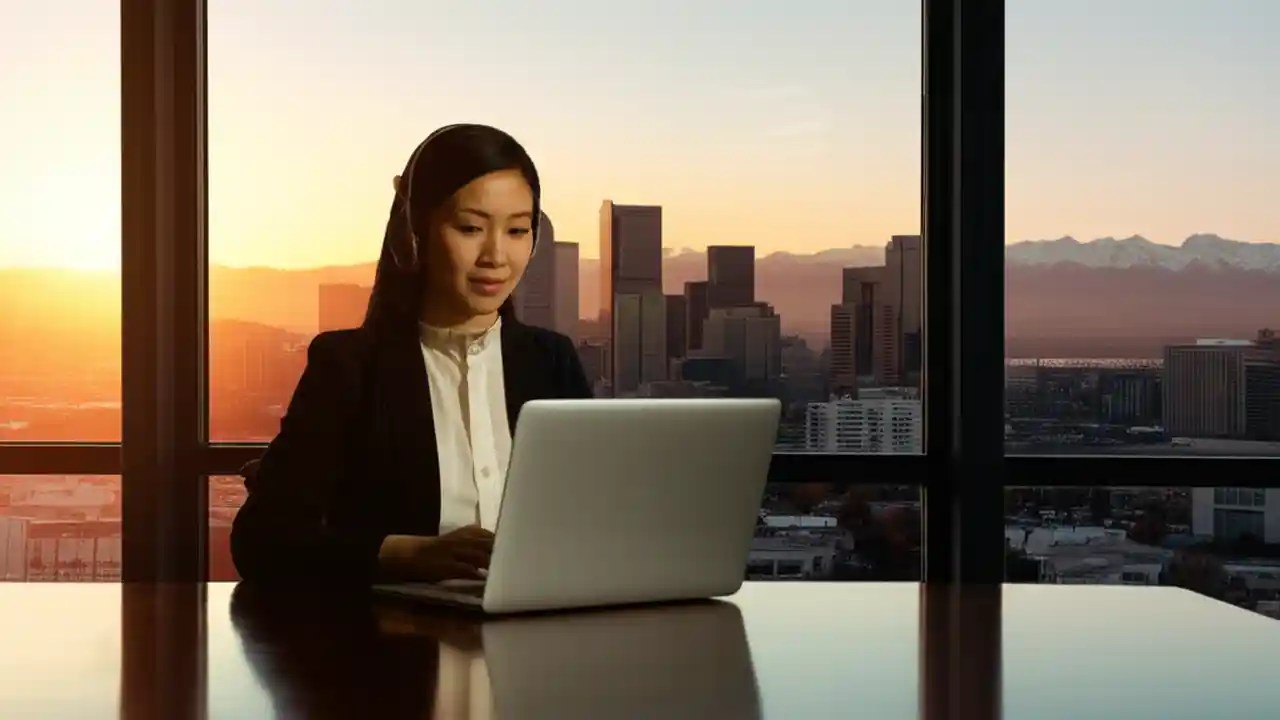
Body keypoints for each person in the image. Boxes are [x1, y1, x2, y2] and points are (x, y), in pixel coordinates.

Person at [231, 123, 592, 585]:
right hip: (388, 646)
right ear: (416, 229)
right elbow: (261, 541)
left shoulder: (551, 360)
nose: (496, 255)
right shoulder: (350, 366)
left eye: (518, 230)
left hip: (542, 638)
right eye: (470, 228)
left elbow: (592, 516)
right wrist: (403, 553)